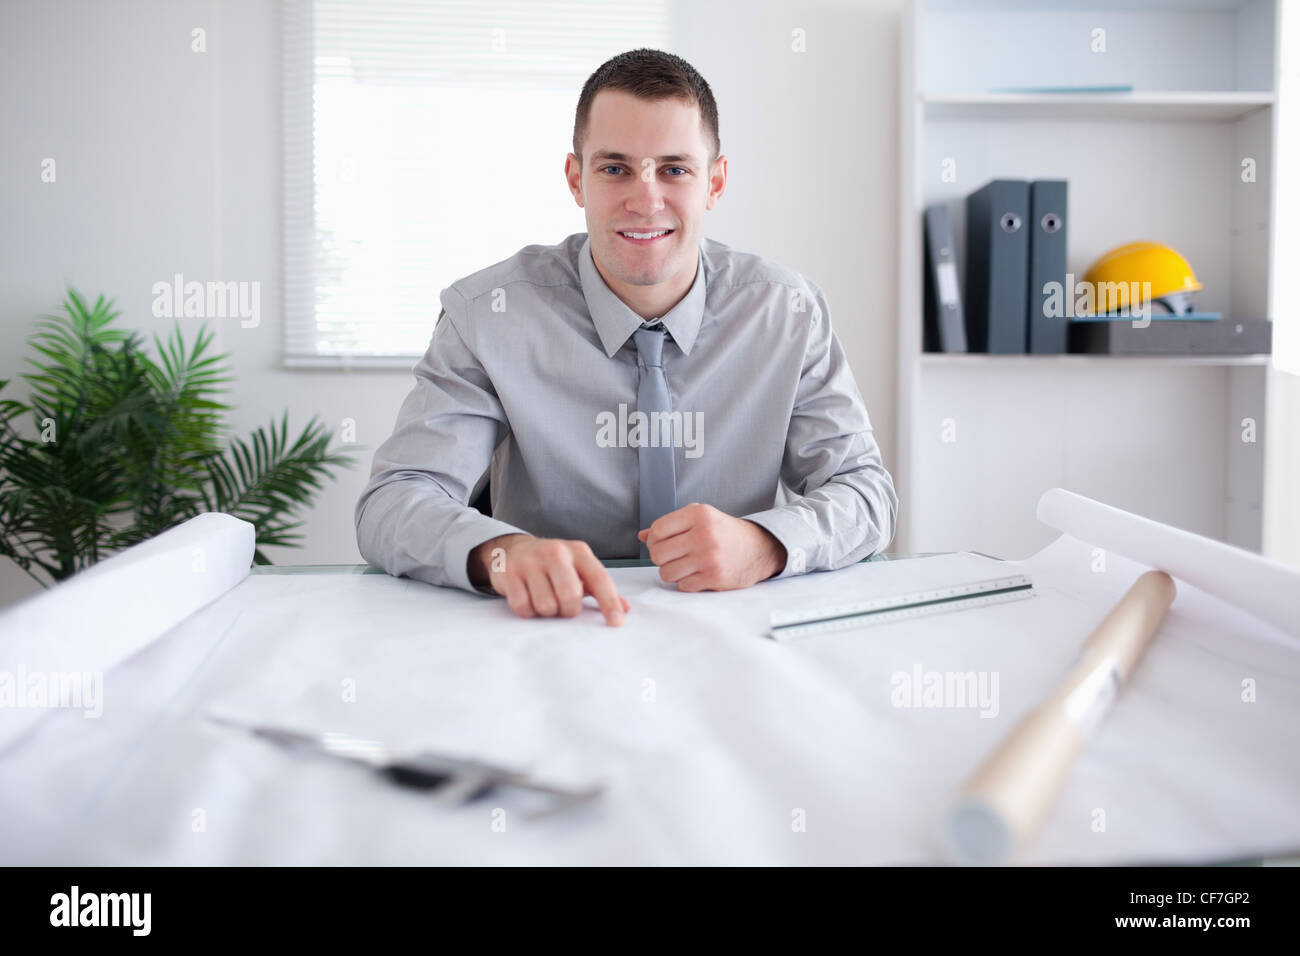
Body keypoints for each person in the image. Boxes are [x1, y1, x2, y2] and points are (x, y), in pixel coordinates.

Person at [356, 48, 897, 627]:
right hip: (552, 631)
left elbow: (866, 493)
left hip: (735, 629)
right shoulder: (487, 315)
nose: (645, 199)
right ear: (576, 179)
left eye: (674, 169)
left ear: (714, 182)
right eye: (615, 168)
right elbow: (394, 501)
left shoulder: (788, 313)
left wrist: (765, 544)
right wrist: (503, 554)